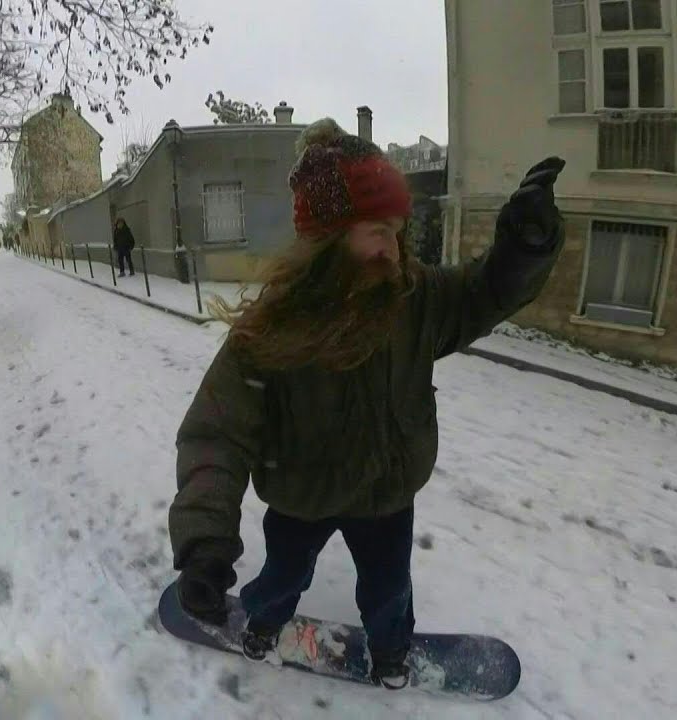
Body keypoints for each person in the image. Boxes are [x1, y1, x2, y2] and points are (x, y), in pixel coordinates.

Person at [167, 117, 565, 689]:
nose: (394, 248)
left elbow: (484, 293)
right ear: (330, 236)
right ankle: (261, 622)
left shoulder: (414, 298)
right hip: (301, 500)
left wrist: (525, 247)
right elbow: (215, 434)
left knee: (388, 591)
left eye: (397, 230)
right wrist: (204, 543)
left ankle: (392, 652)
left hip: (385, 497)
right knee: (282, 576)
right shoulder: (272, 329)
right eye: (378, 229)